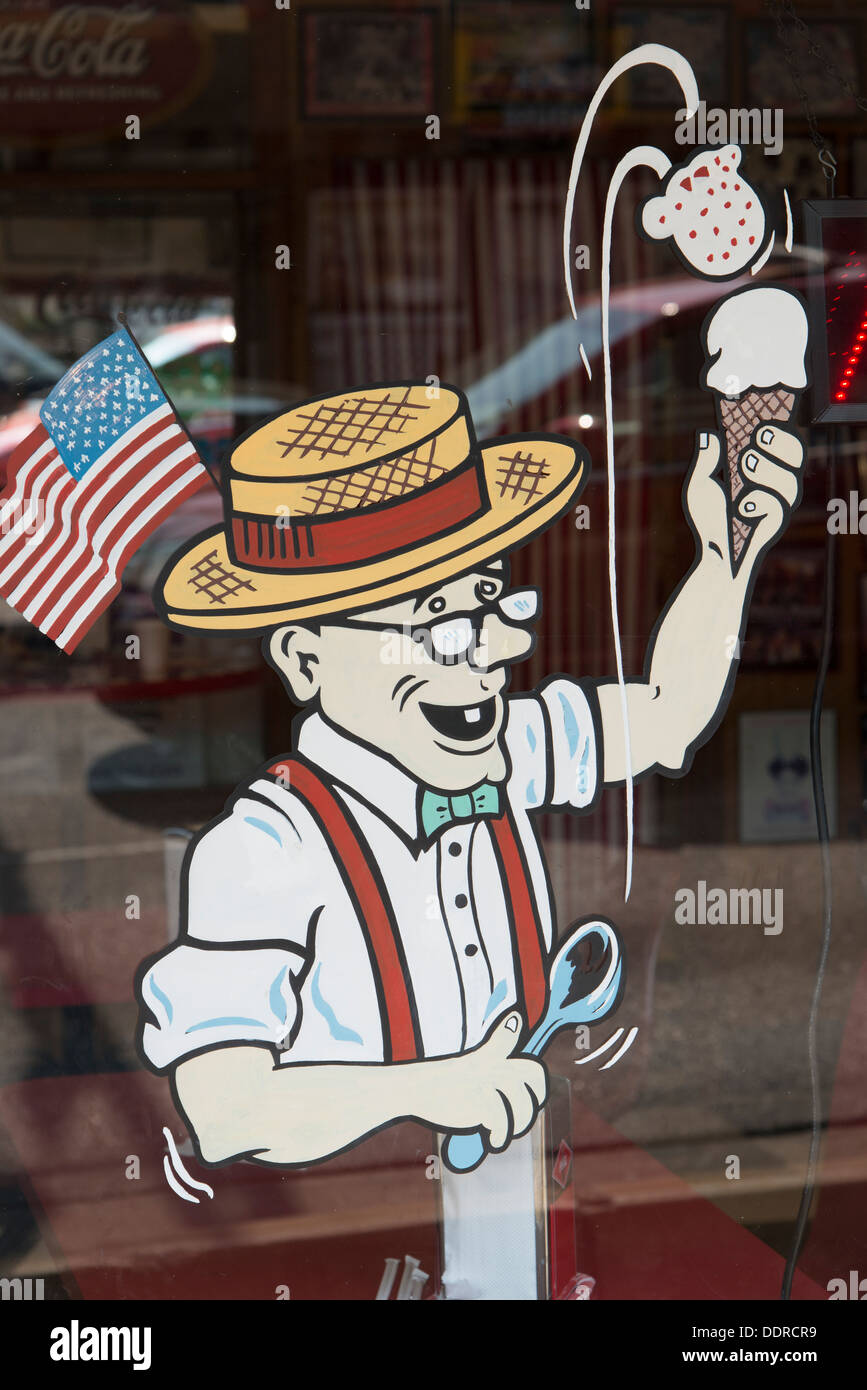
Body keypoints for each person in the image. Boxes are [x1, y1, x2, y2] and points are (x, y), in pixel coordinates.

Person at [136, 380, 804, 1297]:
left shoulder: (500, 752)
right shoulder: (264, 851)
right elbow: (225, 1107)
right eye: (433, 628)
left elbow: (663, 717)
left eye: (487, 604)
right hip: (364, 1249)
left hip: (518, 1223)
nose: (488, 652)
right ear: (303, 659)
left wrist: (725, 562)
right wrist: (425, 1086)